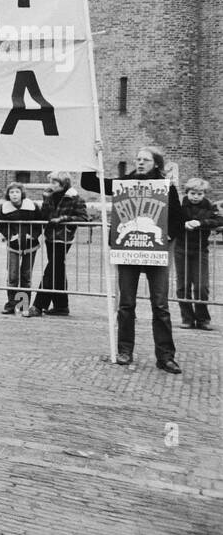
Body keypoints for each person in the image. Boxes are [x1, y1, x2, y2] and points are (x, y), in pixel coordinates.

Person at [81, 146, 185, 373]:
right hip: (128, 252)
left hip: (155, 253)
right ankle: (125, 350)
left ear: (156, 164)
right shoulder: (124, 183)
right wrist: (92, 156)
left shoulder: (166, 188)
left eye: (145, 160)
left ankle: (166, 356)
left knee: (160, 305)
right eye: (137, 159)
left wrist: (167, 235)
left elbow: (179, 217)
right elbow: (90, 184)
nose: (139, 163)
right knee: (126, 304)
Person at [30, 172, 89, 317]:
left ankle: (38, 305)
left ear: (63, 183)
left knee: (51, 270)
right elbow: (45, 215)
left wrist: (64, 218)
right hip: (50, 237)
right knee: (58, 270)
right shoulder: (50, 196)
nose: (51, 185)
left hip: (63, 238)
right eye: (51, 182)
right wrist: (45, 199)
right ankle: (61, 306)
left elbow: (84, 218)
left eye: (55, 182)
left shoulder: (75, 198)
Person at [175, 178, 222, 330]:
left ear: (204, 194)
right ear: (187, 192)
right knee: (183, 285)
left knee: (201, 286)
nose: (195, 196)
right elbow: (173, 219)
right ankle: (187, 318)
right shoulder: (180, 206)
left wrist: (201, 223)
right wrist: (183, 224)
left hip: (200, 250)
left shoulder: (209, 206)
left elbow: (219, 220)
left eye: (199, 194)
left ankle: (203, 319)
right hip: (182, 248)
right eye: (192, 193)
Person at [0, 182, 43, 315]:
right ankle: (11, 305)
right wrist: (9, 236)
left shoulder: (32, 206)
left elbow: (40, 223)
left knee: (26, 276)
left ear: (22, 194)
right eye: (11, 192)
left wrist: (33, 235)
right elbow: (1, 225)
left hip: (30, 246)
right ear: (8, 194)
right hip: (14, 246)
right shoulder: (4, 208)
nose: (14, 195)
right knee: (12, 276)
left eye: (17, 192)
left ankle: (23, 305)